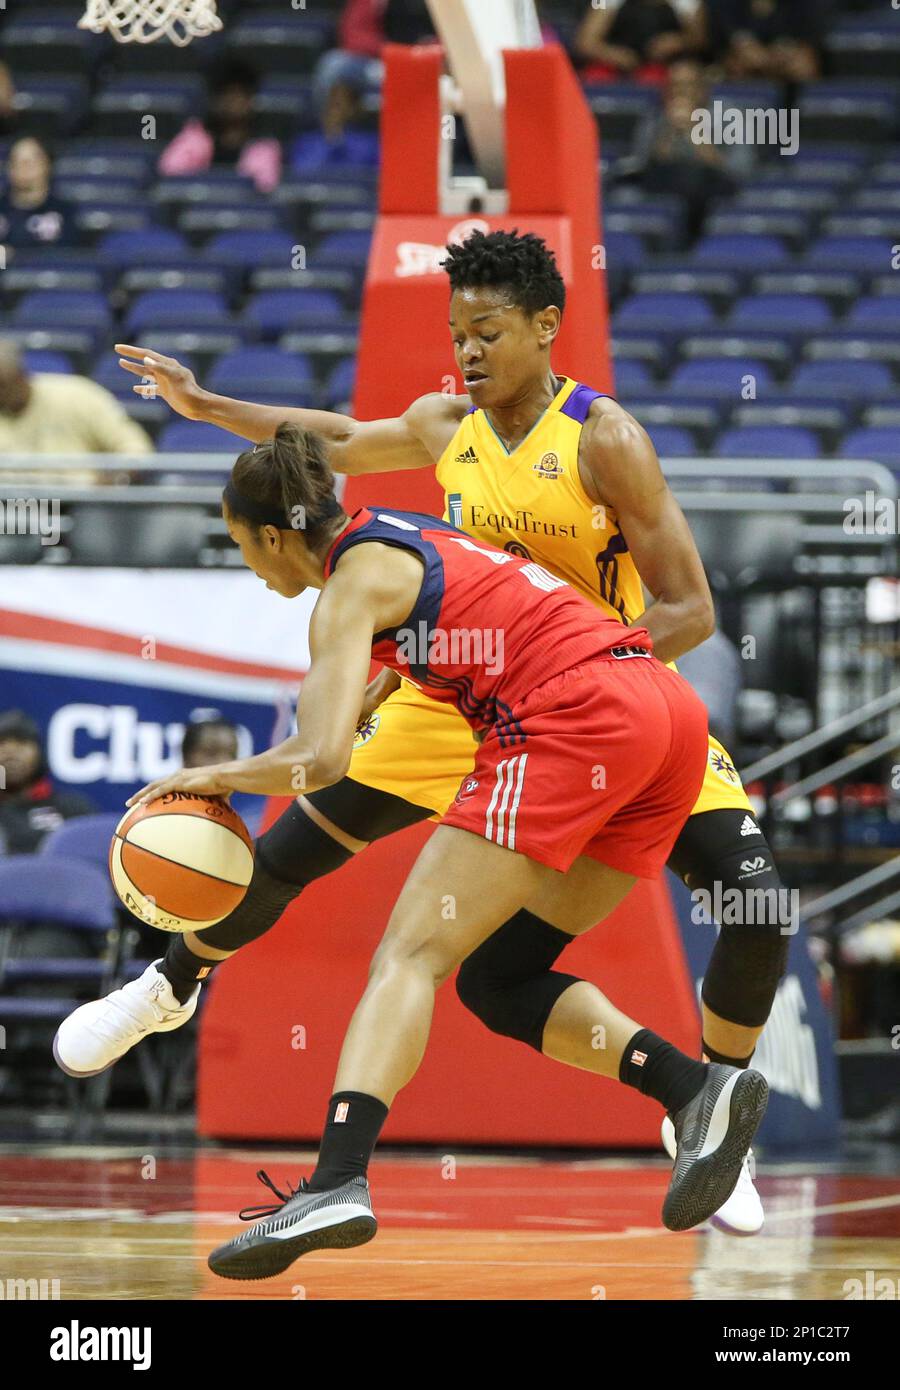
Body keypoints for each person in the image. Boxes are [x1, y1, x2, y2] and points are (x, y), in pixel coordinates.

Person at [96, 230, 790, 1238]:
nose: (467, 351)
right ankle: (169, 981)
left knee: (758, 905)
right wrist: (206, 409)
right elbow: (326, 443)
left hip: (597, 692)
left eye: (489, 331)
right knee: (286, 853)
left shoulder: (604, 439)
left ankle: (715, 1119)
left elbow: (690, 607)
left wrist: (576, 659)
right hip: (465, 695)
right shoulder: (448, 424)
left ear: (548, 327)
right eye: (457, 331)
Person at [0, 341, 153, 485]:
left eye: (2, 385)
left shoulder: (77, 395)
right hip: (10, 504)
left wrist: (116, 478)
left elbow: (135, 447)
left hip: (81, 502)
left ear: (21, 376)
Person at [157, 59, 281, 194]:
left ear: (250, 99)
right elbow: (169, 171)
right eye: (226, 94)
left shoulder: (264, 146)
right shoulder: (194, 137)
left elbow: (265, 186)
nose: (232, 101)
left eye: (239, 94)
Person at [0, 710, 95, 855]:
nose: (11, 752)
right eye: (2, 744)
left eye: (21, 743)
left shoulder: (73, 809)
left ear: (40, 753)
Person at [574, 0, 704, 82]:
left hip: (666, 65)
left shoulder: (687, 3)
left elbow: (701, 39)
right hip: (615, 65)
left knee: (676, 76)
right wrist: (615, 55)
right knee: (597, 78)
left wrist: (676, 42)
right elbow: (585, 43)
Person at [0, 136, 79, 258]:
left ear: (47, 164)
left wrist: (15, 254)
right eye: (16, 160)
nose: (23, 167)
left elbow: (67, 257)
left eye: (30, 161)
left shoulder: (64, 211)